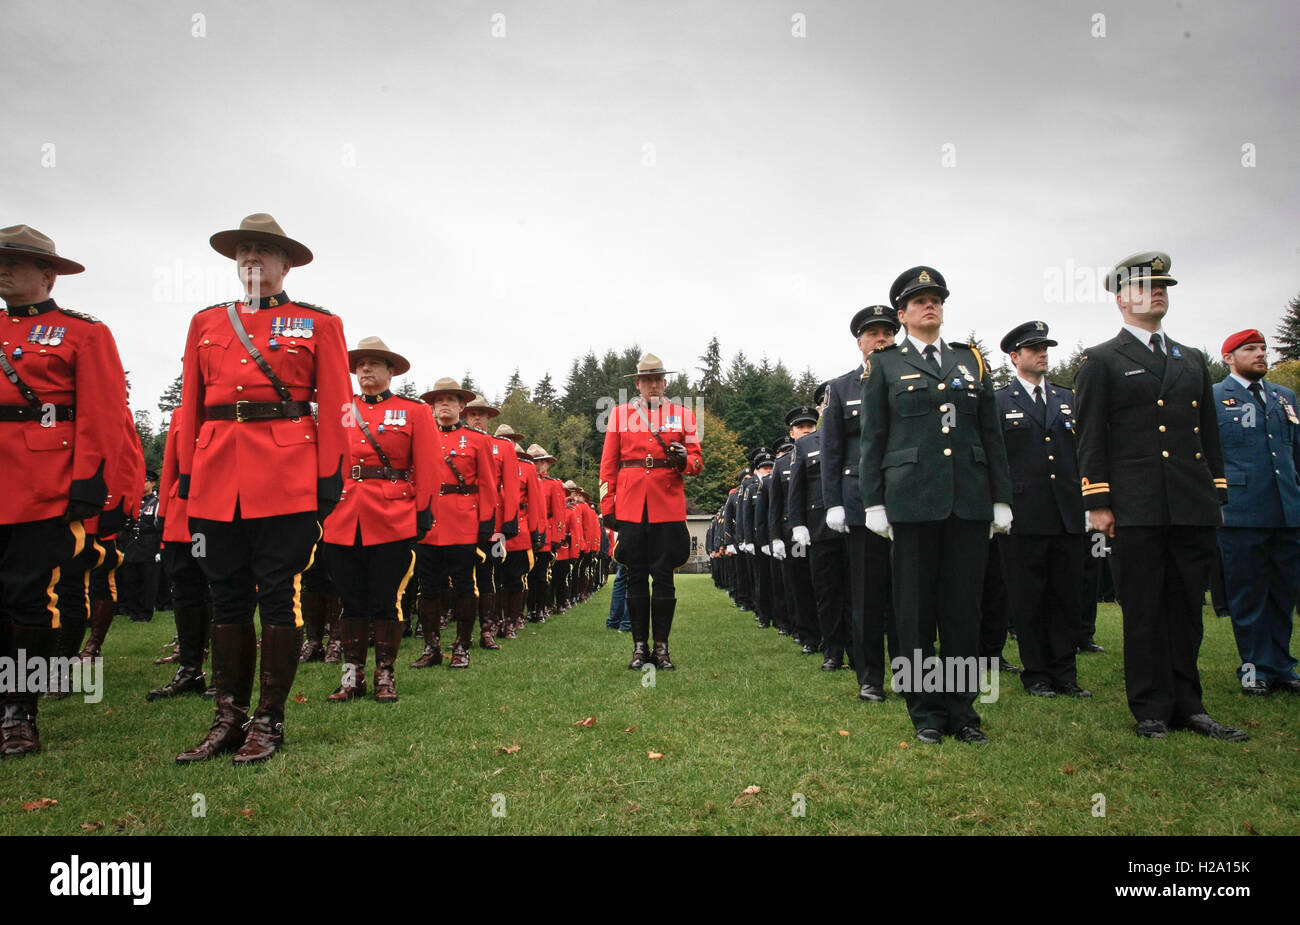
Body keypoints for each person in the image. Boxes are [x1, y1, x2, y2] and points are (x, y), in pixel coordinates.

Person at [175, 213, 351, 764]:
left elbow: (336, 407)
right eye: (242, 250)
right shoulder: (205, 321)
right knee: (225, 596)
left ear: (286, 263)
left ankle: (269, 722)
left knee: (276, 593)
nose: (250, 257)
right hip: (214, 474)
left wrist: (329, 478)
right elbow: (190, 405)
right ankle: (229, 717)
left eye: (262, 250)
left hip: (286, 477)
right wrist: (185, 472)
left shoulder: (317, 323)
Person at [1075, 251, 1246, 741]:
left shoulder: (1190, 358)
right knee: (1145, 606)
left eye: (1163, 287)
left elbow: (1206, 433)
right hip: (1136, 502)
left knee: (1186, 607)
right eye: (1146, 286)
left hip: (1190, 501)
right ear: (1120, 298)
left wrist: (1216, 487)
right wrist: (1098, 500)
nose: (1158, 293)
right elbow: (1090, 435)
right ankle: (1151, 707)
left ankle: (1190, 705)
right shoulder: (1101, 360)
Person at [859, 266, 1013, 744]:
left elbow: (992, 434)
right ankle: (925, 711)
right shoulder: (884, 365)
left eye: (938, 298)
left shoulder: (970, 362)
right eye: (920, 300)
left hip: (967, 500)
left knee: (963, 611)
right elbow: (873, 440)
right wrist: (874, 503)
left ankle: (963, 712)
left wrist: (1001, 497)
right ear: (902, 314)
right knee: (914, 612)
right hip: (911, 501)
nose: (932, 305)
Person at [0, 224, 130, 756]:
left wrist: (89, 483)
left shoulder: (84, 332)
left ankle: (18, 711)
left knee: (27, 597)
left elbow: (102, 415)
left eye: (14, 260)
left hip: (44, 482)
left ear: (48, 274)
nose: (3, 268)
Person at [320, 337, 438, 702]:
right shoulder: (338, 409)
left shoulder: (414, 412)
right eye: (360, 364)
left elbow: (429, 465)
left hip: (392, 515)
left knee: (386, 599)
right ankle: (351, 678)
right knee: (350, 600)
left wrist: (424, 510)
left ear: (391, 371)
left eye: (374, 363)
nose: (365, 369)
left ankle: (386, 676)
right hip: (342, 514)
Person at [995, 321, 1089, 698]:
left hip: (1067, 511)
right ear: (1015, 357)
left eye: (1046, 347)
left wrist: (1089, 500)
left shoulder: (1069, 398)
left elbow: (1084, 452)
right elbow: (995, 457)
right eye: (1034, 349)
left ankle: (1065, 673)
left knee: (1066, 596)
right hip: (1024, 514)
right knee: (1028, 598)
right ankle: (1036, 674)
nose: (1043, 353)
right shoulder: (1000, 401)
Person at [598, 353, 703, 670]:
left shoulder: (683, 415)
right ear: (639, 384)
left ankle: (662, 648)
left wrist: (685, 458)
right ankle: (639, 648)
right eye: (647, 380)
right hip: (630, 504)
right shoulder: (619, 415)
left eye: (658, 379)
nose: (653, 384)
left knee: (664, 577)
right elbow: (607, 467)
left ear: (665, 382)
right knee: (634, 575)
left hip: (667, 503)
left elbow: (697, 464)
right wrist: (608, 506)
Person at [1212, 329, 1300, 695]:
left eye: (1263, 348)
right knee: (1248, 597)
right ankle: (1255, 670)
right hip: (1241, 512)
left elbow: (1293, 453)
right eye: (1250, 349)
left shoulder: (1284, 397)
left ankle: (1283, 666)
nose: (1260, 354)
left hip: (1286, 509)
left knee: (1283, 594)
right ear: (1229, 358)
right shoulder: (1215, 397)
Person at [825, 305, 900, 702]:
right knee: (867, 596)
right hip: (860, 503)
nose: (881, 339)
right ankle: (870, 676)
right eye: (873, 334)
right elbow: (832, 450)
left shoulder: (911, 378)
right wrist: (833, 502)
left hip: (908, 498)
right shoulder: (841, 388)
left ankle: (908, 675)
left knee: (909, 596)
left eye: (888, 332)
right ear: (860, 342)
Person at [412, 378, 498, 670]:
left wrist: (486, 524)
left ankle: (462, 645)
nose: (444, 404)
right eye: (438, 400)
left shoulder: (479, 441)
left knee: (464, 586)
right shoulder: (420, 436)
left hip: (463, 520)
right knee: (428, 588)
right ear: (432, 406)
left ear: (462, 406)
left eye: (450, 399)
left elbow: (487, 485)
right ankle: (431, 646)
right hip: (428, 520)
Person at [148, 403, 213, 701]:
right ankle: (189, 670)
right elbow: (171, 467)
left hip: (218, 510)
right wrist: (163, 510)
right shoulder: (180, 414)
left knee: (220, 590)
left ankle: (224, 675)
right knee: (184, 591)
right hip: (181, 514)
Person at [788, 383, 847, 664]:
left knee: (859, 591)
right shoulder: (806, 444)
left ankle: (860, 652)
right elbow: (796, 488)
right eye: (827, 403)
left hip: (857, 521)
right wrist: (798, 523)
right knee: (827, 592)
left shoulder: (855, 434)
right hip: (821, 528)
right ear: (822, 409)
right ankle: (833, 650)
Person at [462, 397, 518, 649]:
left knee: (490, 572)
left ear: (489, 418)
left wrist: (509, 521)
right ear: (465, 415)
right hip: (460, 517)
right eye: (472, 413)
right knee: (461, 573)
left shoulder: (503, 447)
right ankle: (462, 633)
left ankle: (488, 629)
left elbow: (512, 487)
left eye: (482, 414)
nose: (477, 418)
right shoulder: (456, 439)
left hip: (492, 522)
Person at [769, 407, 821, 654]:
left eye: (810, 426)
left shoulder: (825, 449)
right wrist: (776, 536)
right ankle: (807, 634)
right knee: (799, 583)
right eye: (801, 427)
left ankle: (828, 632)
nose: (806, 430)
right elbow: (775, 505)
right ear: (791, 433)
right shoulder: (781, 464)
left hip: (820, 525)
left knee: (822, 583)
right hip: (795, 533)